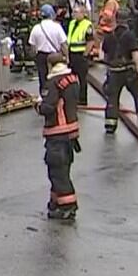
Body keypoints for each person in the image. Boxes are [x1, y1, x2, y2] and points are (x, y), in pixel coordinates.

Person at [38, 53, 81, 221]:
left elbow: (48, 107)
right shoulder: (72, 79)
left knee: (57, 169)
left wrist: (38, 105)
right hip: (71, 131)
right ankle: (56, 201)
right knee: (63, 166)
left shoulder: (54, 83)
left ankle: (67, 206)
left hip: (57, 131)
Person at [101, 9, 138, 133]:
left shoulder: (109, 36)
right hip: (128, 70)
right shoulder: (130, 35)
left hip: (113, 71)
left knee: (112, 98)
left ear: (115, 20)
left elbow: (103, 55)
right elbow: (135, 54)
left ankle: (110, 125)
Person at [28, 4, 67, 95]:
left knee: (43, 78)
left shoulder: (36, 28)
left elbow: (32, 47)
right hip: (55, 56)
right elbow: (64, 44)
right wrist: (66, 57)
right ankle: (56, 96)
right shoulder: (57, 27)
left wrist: (35, 58)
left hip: (41, 56)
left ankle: (44, 96)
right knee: (56, 77)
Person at [65, 1, 93, 104]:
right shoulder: (72, 23)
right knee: (71, 78)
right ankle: (73, 97)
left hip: (81, 55)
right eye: (74, 12)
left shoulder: (87, 24)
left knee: (82, 79)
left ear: (83, 13)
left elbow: (90, 41)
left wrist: (85, 54)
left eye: (76, 12)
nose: (74, 14)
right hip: (72, 53)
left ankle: (82, 99)